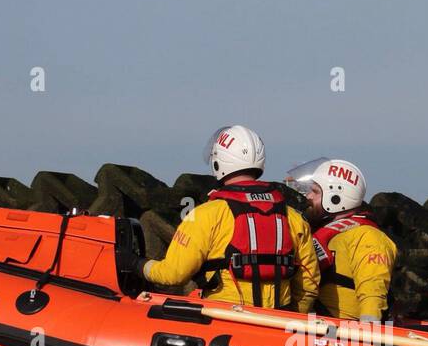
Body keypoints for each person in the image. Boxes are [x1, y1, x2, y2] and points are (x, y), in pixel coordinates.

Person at [125, 125, 319, 310]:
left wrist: (137, 264)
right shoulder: (293, 217)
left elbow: (173, 274)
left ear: (218, 162)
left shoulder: (205, 214)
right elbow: (309, 284)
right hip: (275, 325)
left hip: (222, 321)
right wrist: (289, 319)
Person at [284, 158, 397, 322]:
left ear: (335, 198)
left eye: (315, 192)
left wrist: (366, 338)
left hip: (345, 333)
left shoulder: (368, 237)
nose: (308, 196)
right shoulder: (324, 231)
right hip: (319, 327)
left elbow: (373, 294)